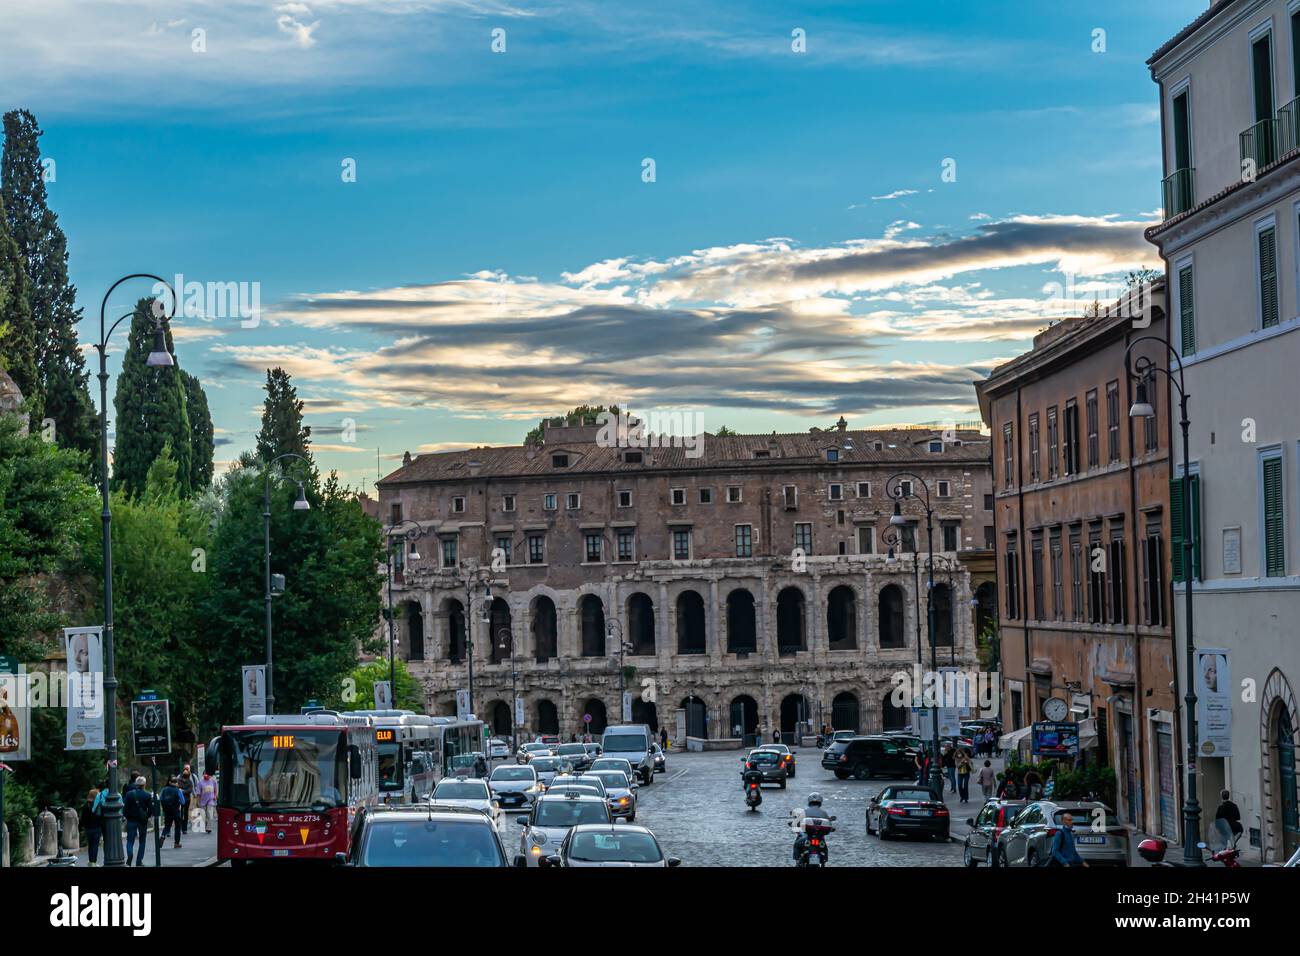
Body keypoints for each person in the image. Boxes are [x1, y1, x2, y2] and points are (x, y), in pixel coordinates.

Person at [792, 791, 833, 862]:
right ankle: (824, 860)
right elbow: (829, 823)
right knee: (824, 846)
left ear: (809, 802)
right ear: (820, 802)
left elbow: (797, 822)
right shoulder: (824, 812)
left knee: (797, 844)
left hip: (807, 837)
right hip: (819, 837)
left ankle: (797, 860)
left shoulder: (805, 811)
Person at [122, 775, 154, 866]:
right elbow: (151, 810)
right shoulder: (147, 795)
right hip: (142, 821)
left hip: (131, 820)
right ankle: (139, 862)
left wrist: (128, 817)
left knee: (130, 840)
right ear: (144, 785)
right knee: (142, 841)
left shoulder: (129, 794)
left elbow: (125, 809)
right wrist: (146, 816)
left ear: (136, 784)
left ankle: (130, 854)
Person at [80, 788, 104, 866]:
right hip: (97, 827)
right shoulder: (98, 804)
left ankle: (91, 861)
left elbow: (82, 818)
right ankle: (93, 862)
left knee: (90, 845)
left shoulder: (85, 805)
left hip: (88, 828)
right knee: (95, 845)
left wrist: (80, 827)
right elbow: (101, 816)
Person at [160, 776, 184, 848]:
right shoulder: (178, 790)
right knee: (177, 827)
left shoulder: (164, 790)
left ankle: (162, 836)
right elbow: (183, 802)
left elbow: (161, 799)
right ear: (176, 783)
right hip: (176, 811)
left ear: (169, 782)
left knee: (167, 826)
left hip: (167, 811)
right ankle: (176, 843)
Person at [177, 763, 196, 836]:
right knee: (180, 813)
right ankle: (181, 826)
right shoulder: (179, 779)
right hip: (180, 799)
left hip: (187, 799)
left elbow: (190, 789)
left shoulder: (190, 781)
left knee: (185, 813)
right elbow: (177, 787)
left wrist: (183, 791)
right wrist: (181, 790)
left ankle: (184, 828)